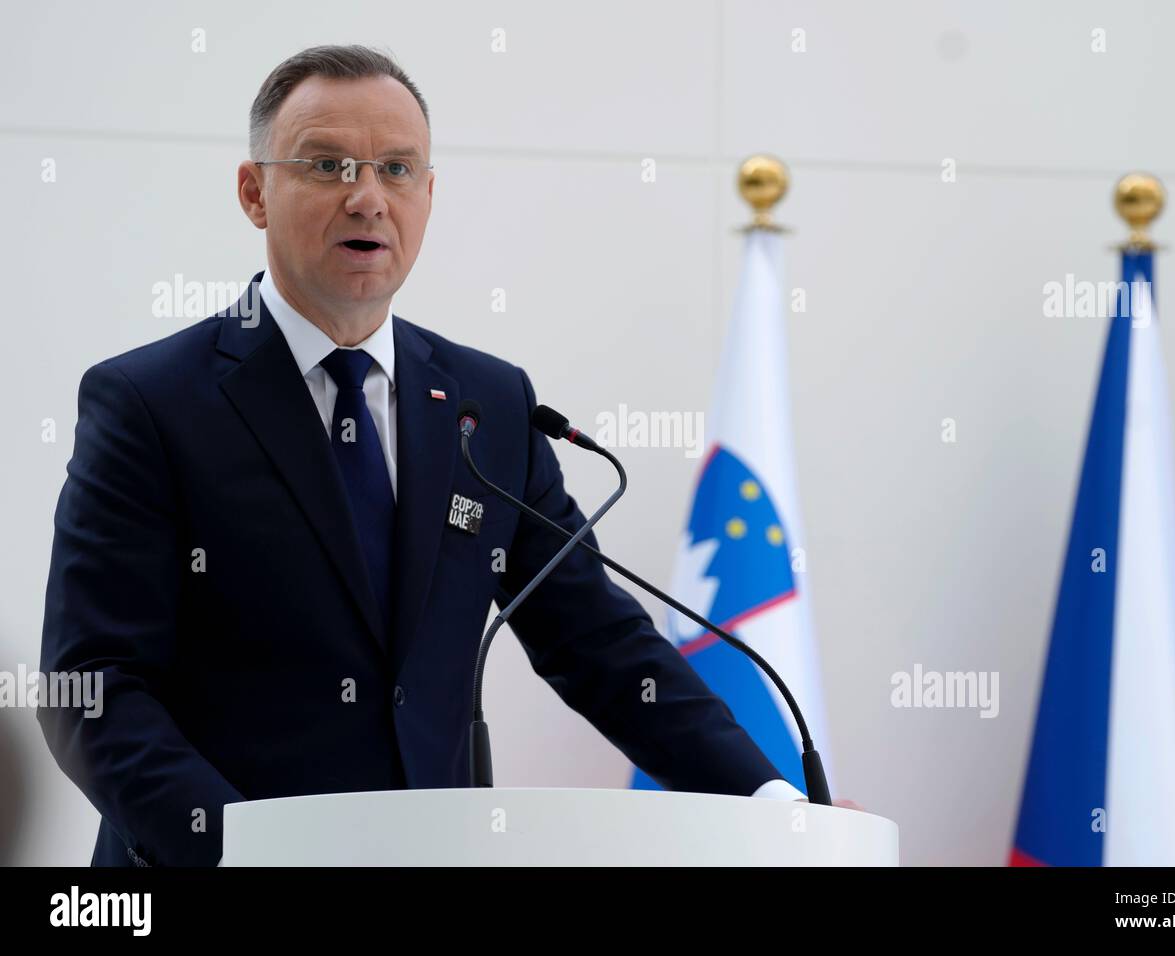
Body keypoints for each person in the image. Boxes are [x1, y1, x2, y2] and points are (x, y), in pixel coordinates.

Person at [38, 45, 854, 867]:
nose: (367, 197)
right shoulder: (151, 402)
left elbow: (602, 645)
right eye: (328, 165)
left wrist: (772, 802)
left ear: (428, 195)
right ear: (254, 191)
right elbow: (92, 690)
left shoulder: (486, 405)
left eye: (397, 169)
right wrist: (249, 851)